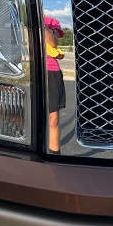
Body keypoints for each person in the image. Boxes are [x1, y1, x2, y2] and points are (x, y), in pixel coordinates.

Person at [43, 16, 66, 152]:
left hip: (52, 72)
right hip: (32, 71)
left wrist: (44, 26)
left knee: (53, 118)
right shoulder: (24, 18)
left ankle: (55, 153)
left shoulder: (50, 22)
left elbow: (52, 43)